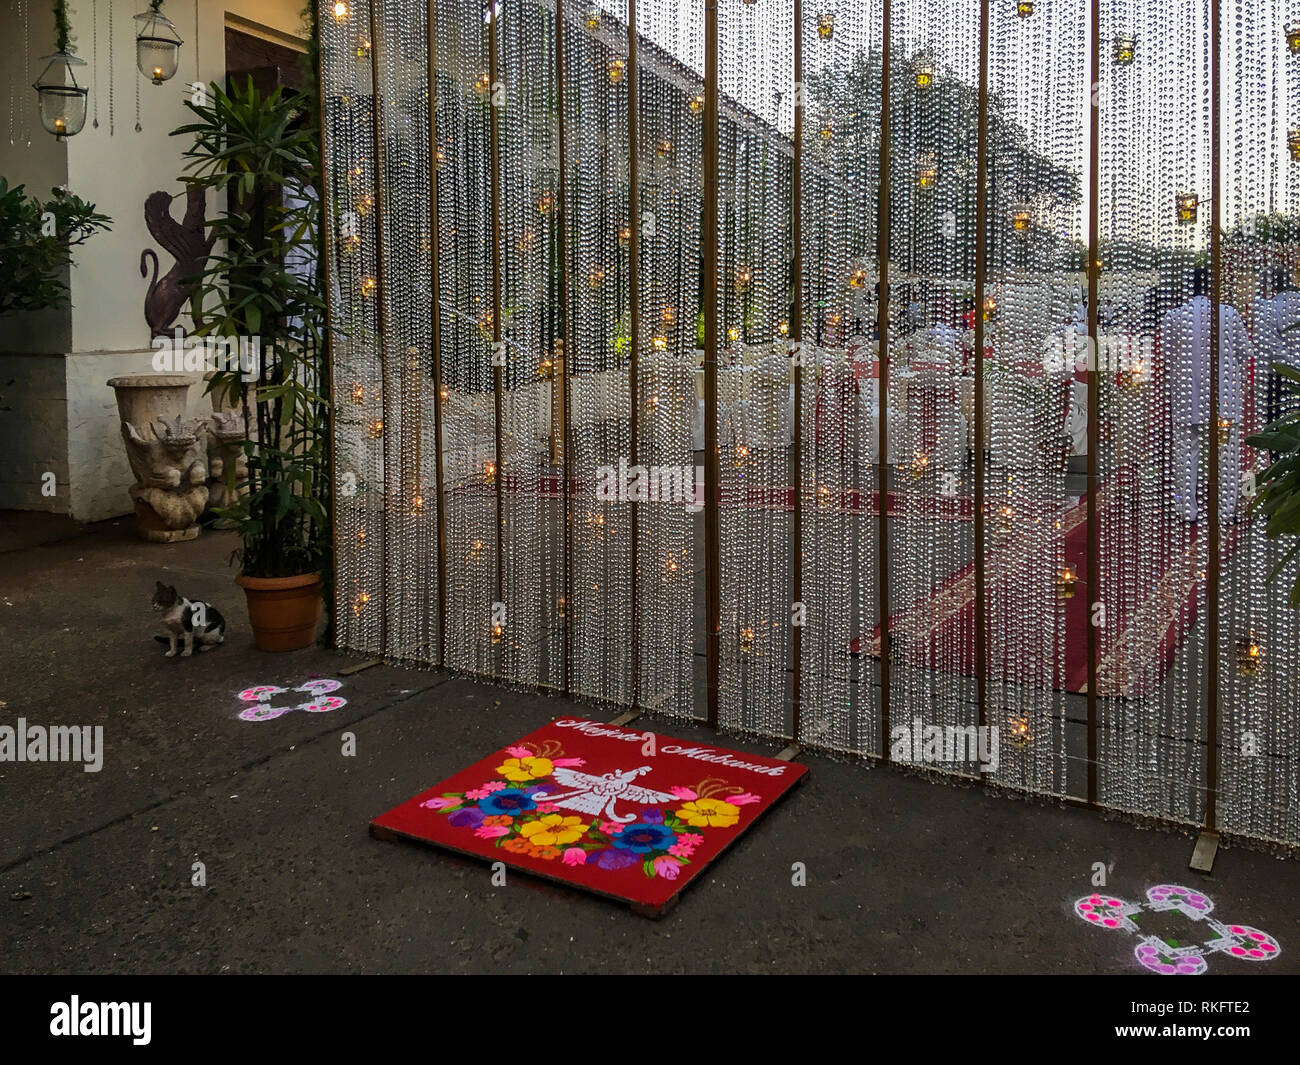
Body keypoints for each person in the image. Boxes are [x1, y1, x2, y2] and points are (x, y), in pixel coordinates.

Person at [1158, 267, 1253, 523]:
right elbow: (1246, 351)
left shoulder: (1174, 317)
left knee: (1186, 456)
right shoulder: (1229, 314)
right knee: (1226, 457)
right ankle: (1225, 511)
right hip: (1224, 402)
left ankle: (1186, 511)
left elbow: (1166, 354)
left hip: (1187, 400)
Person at [1259, 267, 1300, 430]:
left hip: (1280, 378)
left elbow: (1271, 348)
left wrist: (1290, 367)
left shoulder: (1269, 308)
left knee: (1278, 429)